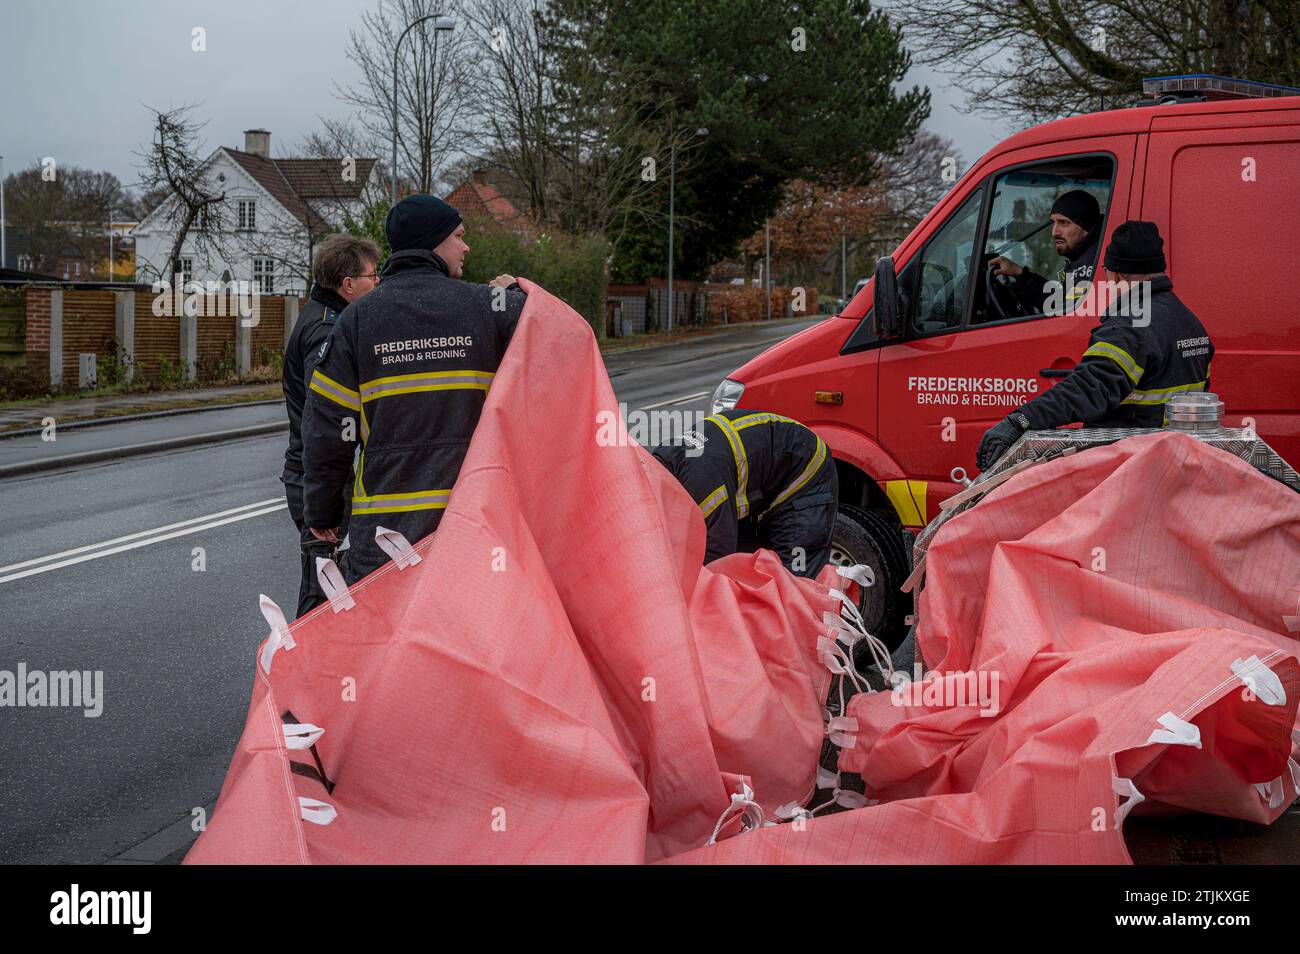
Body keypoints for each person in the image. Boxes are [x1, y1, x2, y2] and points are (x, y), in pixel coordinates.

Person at [300, 195, 526, 584]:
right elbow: (562, 339)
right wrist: (522, 295)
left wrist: (323, 518)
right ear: (434, 242)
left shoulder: (356, 320)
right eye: (459, 235)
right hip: (472, 522)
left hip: (387, 539)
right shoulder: (488, 307)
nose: (466, 246)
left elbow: (327, 434)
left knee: (396, 642)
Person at [976, 220, 1214, 471]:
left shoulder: (1129, 327)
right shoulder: (1189, 322)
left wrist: (1020, 421)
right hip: (1171, 461)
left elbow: (1089, 387)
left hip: (1128, 466)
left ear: (1117, 273)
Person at [281, 233, 381, 617]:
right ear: (348, 284)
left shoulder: (326, 316)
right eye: (373, 276)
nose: (378, 283)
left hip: (315, 470)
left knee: (328, 577)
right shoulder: (327, 328)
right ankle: (304, 667)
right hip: (319, 472)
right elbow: (324, 412)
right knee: (322, 585)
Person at [652, 410, 838, 578]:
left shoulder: (702, 481)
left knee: (794, 581)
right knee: (751, 572)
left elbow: (718, 554)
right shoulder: (660, 459)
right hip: (766, 472)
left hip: (805, 472)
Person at [988, 189, 1102, 315]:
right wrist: (1020, 274)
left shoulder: (1093, 265)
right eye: (1053, 223)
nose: (1054, 232)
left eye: (1063, 223)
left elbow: (1060, 311)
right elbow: (1060, 300)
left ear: (1085, 225)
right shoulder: (1085, 256)